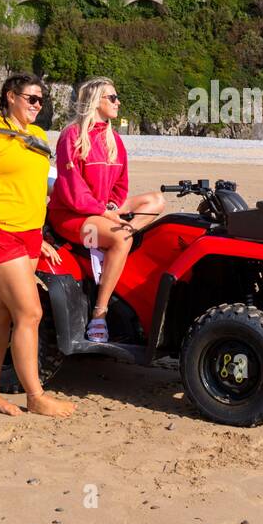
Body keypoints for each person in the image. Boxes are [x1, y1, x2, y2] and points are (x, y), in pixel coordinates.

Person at [0, 74, 76, 418]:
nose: (37, 105)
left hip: (30, 235)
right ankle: (35, 395)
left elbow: (33, 189)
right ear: (10, 97)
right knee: (30, 312)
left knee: (0, 313)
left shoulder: (36, 136)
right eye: (31, 98)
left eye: (41, 100)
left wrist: (43, 237)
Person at [48, 77, 164, 341]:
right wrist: (103, 212)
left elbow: (121, 183)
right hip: (71, 214)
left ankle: (115, 237)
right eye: (112, 97)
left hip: (100, 207)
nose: (118, 102)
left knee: (156, 201)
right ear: (94, 101)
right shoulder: (72, 135)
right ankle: (99, 314)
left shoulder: (114, 139)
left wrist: (111, 206)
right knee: (123, 237)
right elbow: (71, 188)